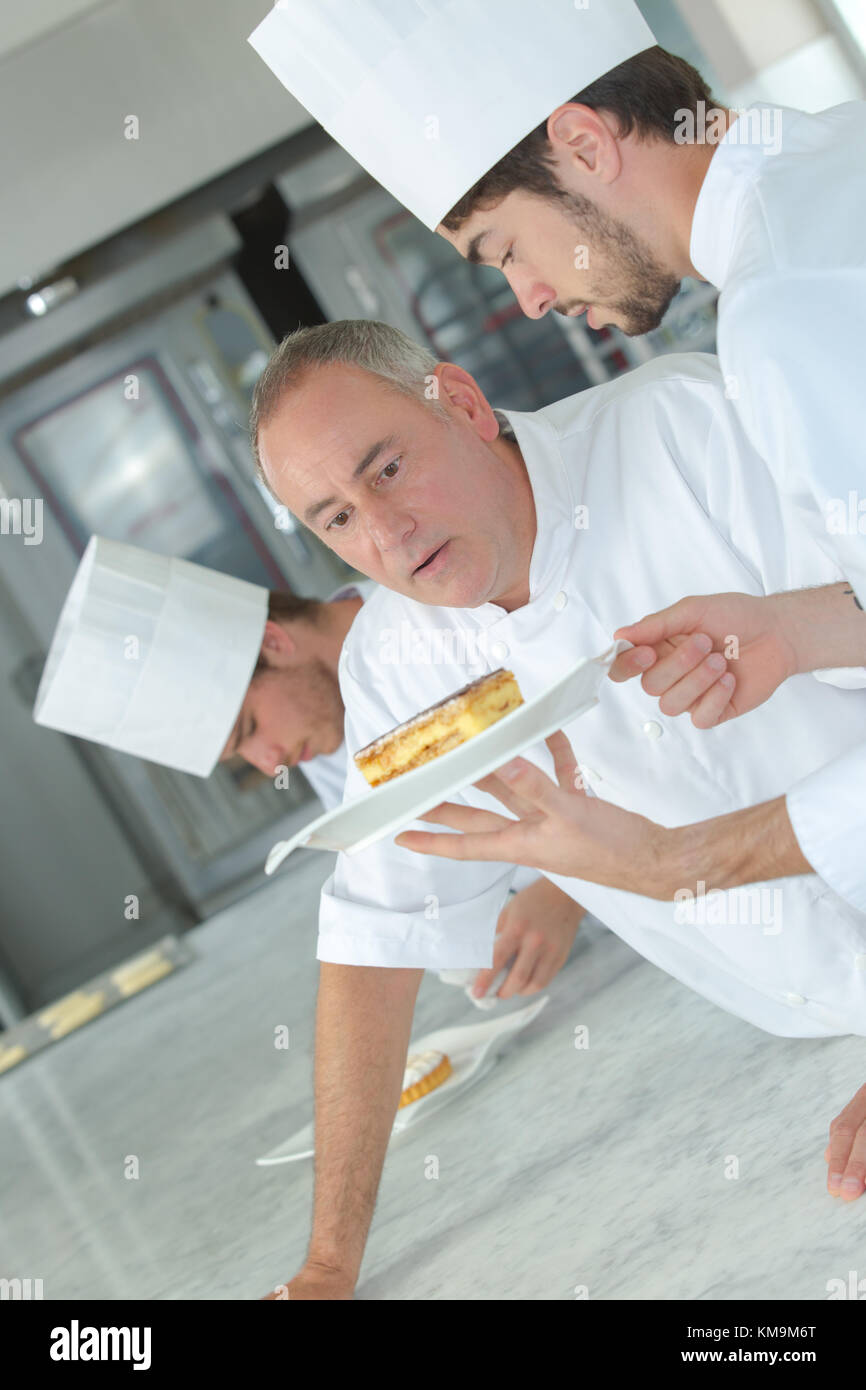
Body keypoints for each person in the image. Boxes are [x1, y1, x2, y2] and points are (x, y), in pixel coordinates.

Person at [249, 319, 866, 1300]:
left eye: (388, 467)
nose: (386, 534)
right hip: (801, 1050)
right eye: (334, 518)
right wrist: (328, 1265)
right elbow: (376, 935)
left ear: (457, 401)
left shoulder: (679, 427)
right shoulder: (396, 660)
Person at [248, 3, 866, 941]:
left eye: (504, 248)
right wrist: (789, 626)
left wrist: (674, 865)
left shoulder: (780, 314)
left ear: (583, 143)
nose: (531, 297)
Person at [33, 536, 579, 1003]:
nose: (269, 762)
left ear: (273, 640)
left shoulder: (446, 611)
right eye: (242, 757)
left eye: (249, 729)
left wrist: (563, 893)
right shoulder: (323, 738)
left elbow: (629, 731)